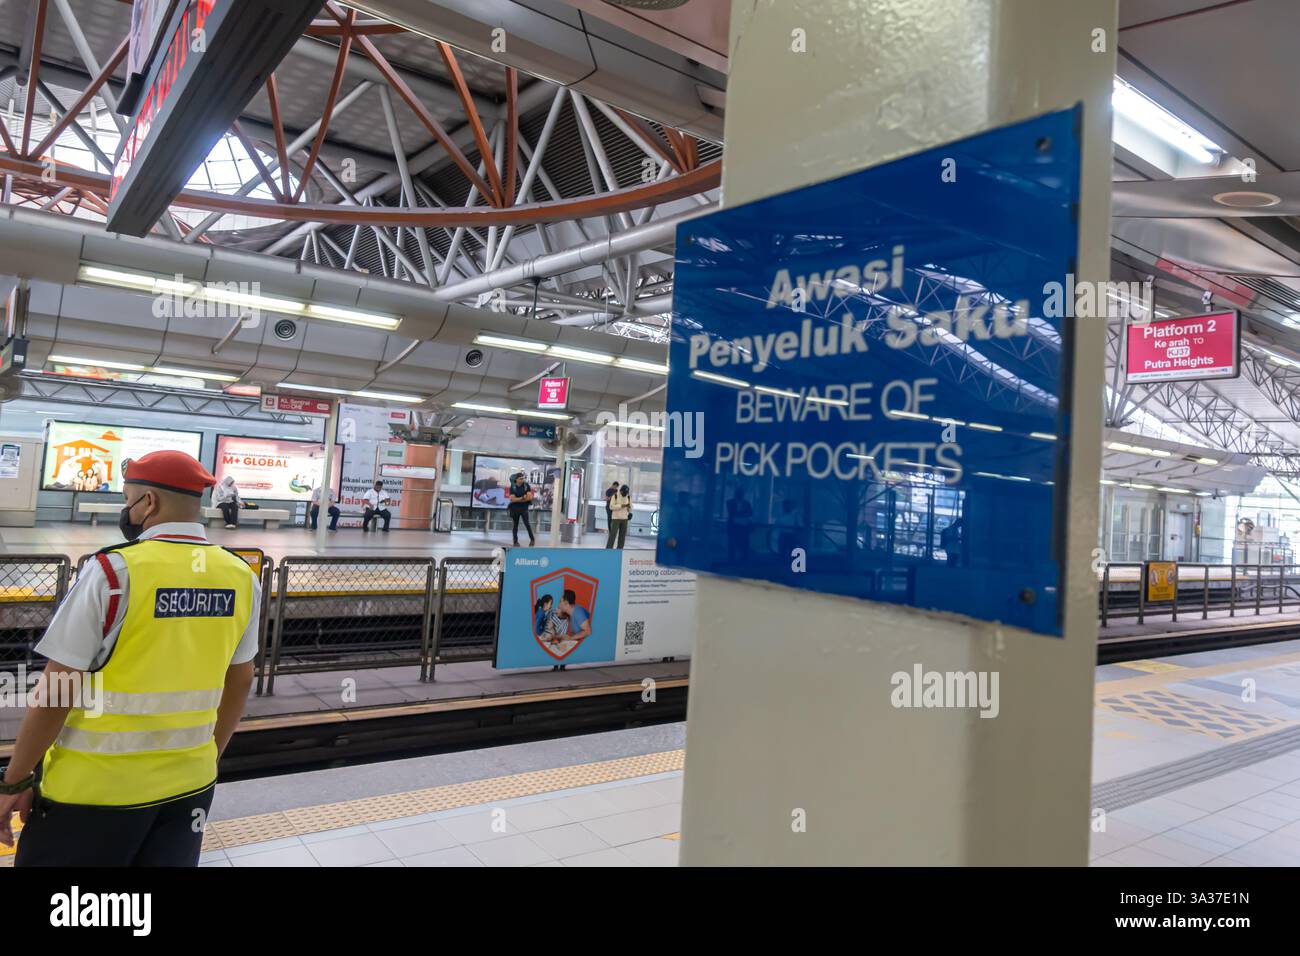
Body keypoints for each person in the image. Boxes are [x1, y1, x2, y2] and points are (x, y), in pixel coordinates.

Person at [0, 450, 259, 866]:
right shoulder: (241, 575)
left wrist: (15, 780)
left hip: (91, 793)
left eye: (128, 499)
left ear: (148, 503)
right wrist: (205, 759)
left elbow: (57, 691)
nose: (127, 509)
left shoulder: (112, 572)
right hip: (189, 787)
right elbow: (241, 680)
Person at [507, 471, 535, 547]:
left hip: (524, 508)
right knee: (515, 526)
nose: (522, 480)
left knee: (527, 524)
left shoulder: (526, 486)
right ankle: (515, 542)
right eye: (520, 478)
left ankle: (532, 539)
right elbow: (512, 499)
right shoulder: (512, 487)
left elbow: (529, 497)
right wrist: (523, 497)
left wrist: (518, 499)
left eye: (523, 478)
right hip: (515, 509)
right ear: (516, 480)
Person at [606, 484, 631, 549]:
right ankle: (608, 549)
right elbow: (611, 507)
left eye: (626, 493)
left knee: (622, 536)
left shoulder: (628, 497)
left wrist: (629, 509)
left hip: (624, 519)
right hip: (616, 519)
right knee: (613, 535)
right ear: (621, 491)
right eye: (623, 492)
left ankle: (620, 549)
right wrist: (621, 506)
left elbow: (631, 506)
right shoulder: (615, 496)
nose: (624, 494)